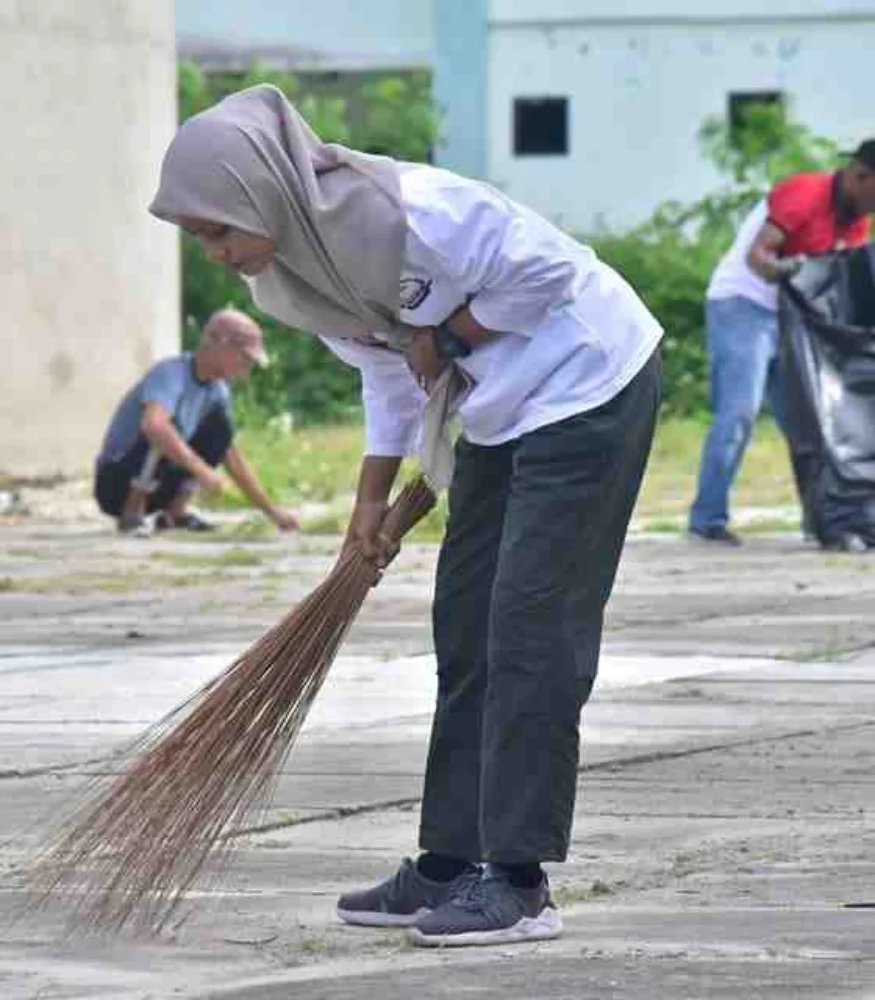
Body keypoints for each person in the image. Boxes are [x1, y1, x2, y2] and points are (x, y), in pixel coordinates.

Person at [148, 84, 662, 948]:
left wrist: (450, 332)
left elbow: (550, 274)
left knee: (531, 627)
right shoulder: (292, 277)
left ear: (263, 190)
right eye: (201, 237)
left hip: (587, 387)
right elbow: (387, 370)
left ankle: (519, 880)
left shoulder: (418, 212)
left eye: (217, 229)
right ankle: (452, 858)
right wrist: (368, 502)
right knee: (465, 627)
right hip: (500, 414)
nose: (215, 253)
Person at [688, 140, 875, 546]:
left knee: (809, 422)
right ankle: (707, 520)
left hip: (792, 320)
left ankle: (824, 521)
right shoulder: (804, 193)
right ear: (861, 176)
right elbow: (759, 257)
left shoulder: (856, 222)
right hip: (744, 305)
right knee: (739, 412)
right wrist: (793, 270)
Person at [94, 308, 300, 536]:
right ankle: (132, 515)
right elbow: (153, 425)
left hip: (157, 485)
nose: (246, 368)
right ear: (219, 343)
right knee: (161, 431)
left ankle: (175, 513)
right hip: (114, 485)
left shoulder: (218, 391)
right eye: (244, 358)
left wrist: (272, 512)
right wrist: (201, 470)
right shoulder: (170, 373)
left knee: (219, 431)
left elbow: (230, 455)